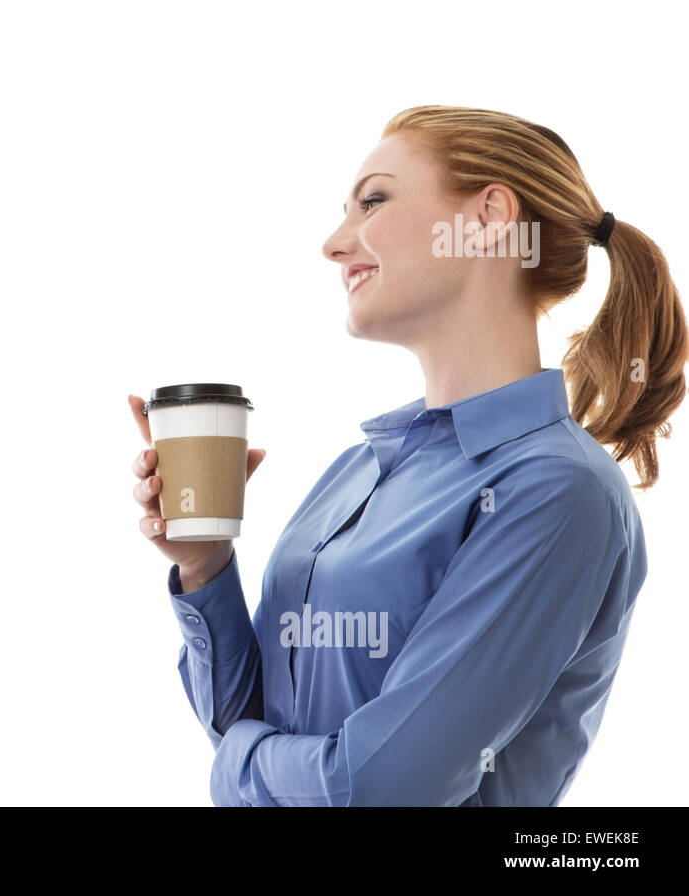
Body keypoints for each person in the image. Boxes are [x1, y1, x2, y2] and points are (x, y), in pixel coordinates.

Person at [129, 105, 686, 806]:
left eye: (372, 201)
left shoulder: (557, 490)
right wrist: (204, 566)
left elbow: (385, 787)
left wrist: (235, 767)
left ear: (488, 218)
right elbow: (255, 724)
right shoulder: (356, 470)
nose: (334, 245)